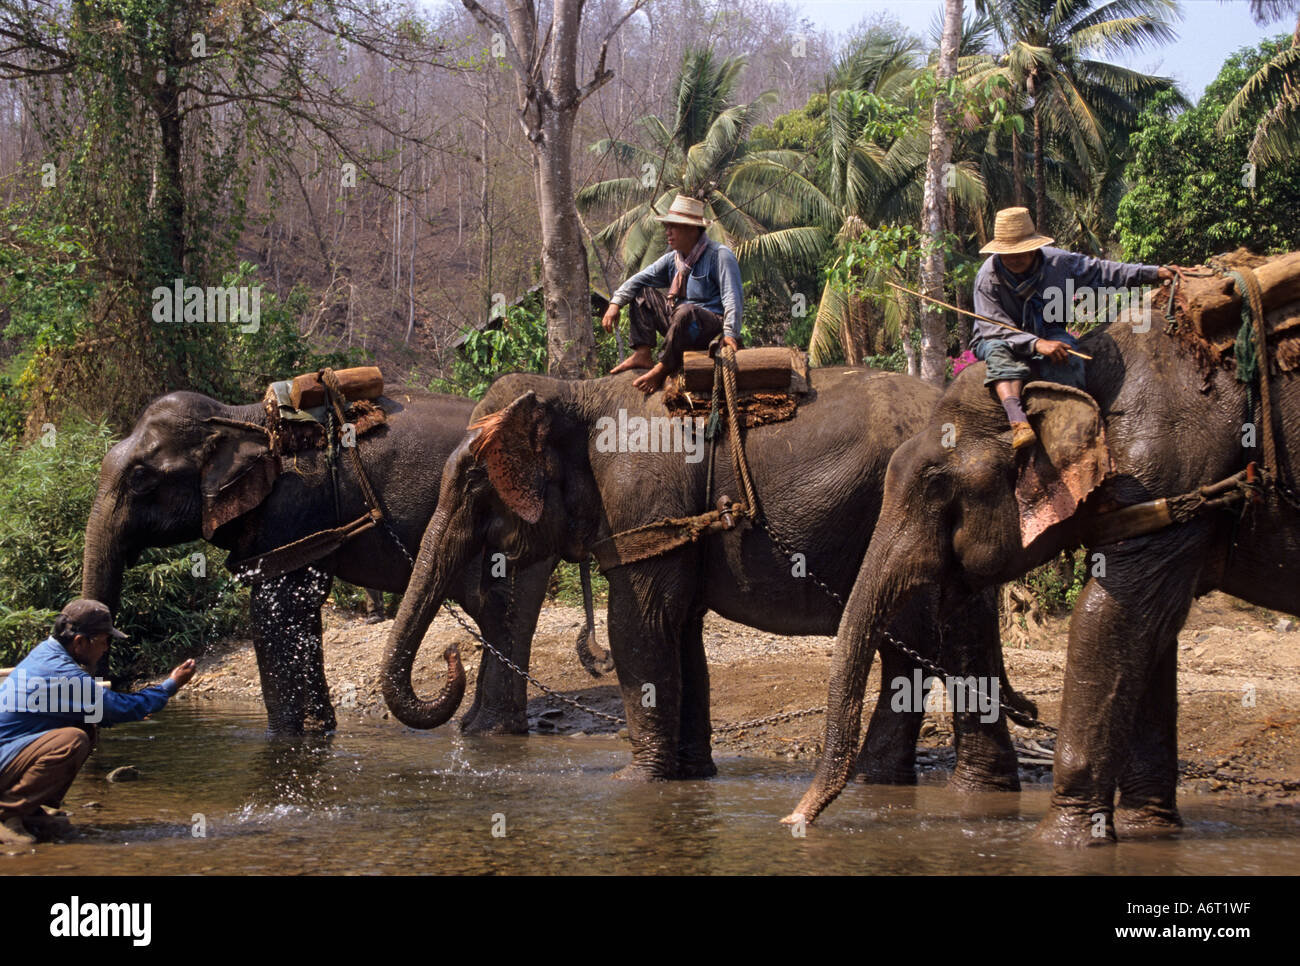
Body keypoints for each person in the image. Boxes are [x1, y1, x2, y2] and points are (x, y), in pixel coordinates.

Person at [971, 206, 1174, 451]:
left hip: (1048, 329)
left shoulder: (1060, 262)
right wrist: (1036, 344)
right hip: (999, 336)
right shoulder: (987, 277)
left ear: (1035, 248)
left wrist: (1154, 273)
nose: (1013, 258)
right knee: (998, 351)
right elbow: (994, 326)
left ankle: (1073, 419)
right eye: (1007, 253)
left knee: (1069, 358)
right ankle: (1017, 420)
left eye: (1020, 252)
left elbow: (1104, 271)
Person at [0, 599, 196, 845]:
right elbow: (120, 708)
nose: (106, 648)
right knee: (72, 741)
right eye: (105, 640)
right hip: (5, 756)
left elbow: (100, 711)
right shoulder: (61, 672)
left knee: (87, 725)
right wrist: (171, 685)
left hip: (9, 753)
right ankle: (8, 812)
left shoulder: (45, 653)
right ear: (81, 642)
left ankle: (29, 809)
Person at [601, 194, 743, 394]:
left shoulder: (719, 255)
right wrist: (615, 304)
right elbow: (638, 279)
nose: (668, 232)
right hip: (680, 324)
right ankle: (642, 353)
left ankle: (663, 367)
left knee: (686, 312)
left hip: (704, 327)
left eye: (673, 226)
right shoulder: (672, 260)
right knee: (642, 292)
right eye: (667, 226)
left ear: (692, 229)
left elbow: (732, 298)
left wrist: (729, 333)